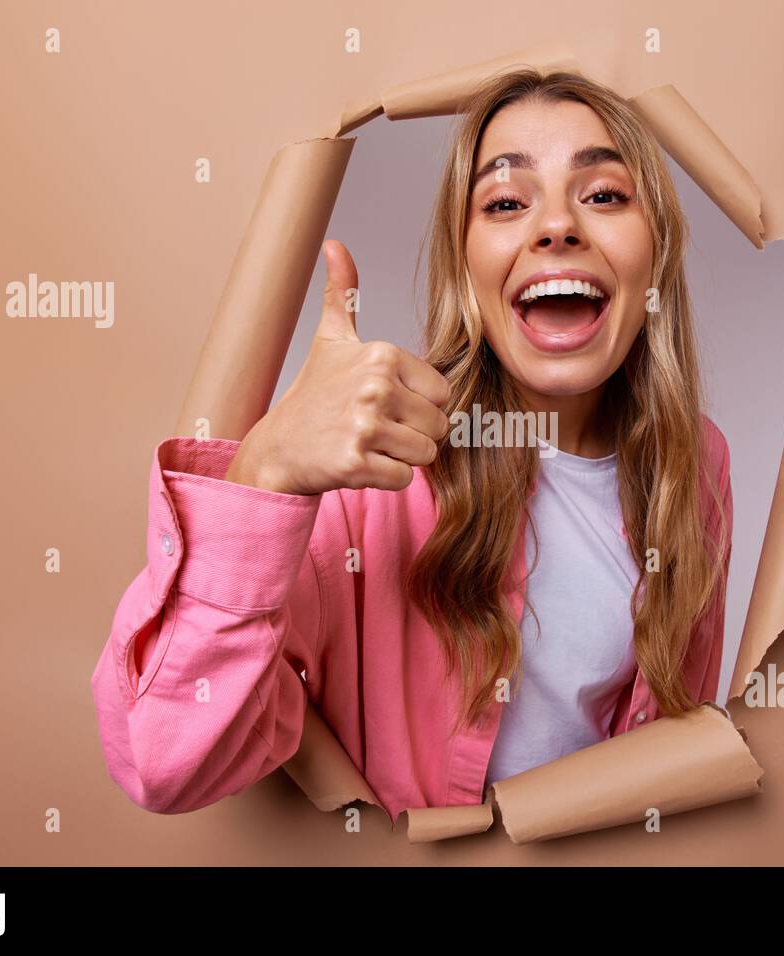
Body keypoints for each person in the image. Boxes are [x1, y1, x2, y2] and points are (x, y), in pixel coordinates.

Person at [90, 68, 733, 819]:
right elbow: (161, 761)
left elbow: (670, 748)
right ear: (469, 268)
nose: (557, 226)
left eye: (602, 195)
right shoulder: (379, 470)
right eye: (505, 202)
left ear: (655, 251)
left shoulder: (697, 462)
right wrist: (267, 471)